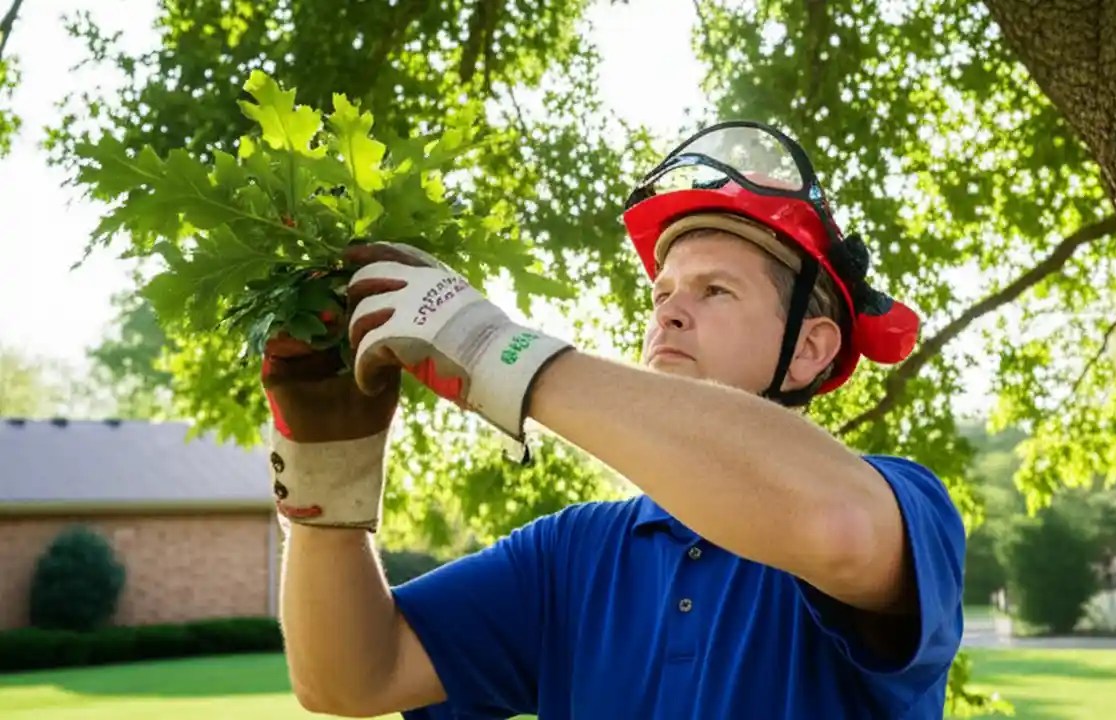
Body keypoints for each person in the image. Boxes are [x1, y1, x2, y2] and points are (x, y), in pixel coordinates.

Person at [265, 121, 965, 720]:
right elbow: (351, 678)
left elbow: (834, 527)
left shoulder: (901, 505)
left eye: (716, 290)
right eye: (662, 293)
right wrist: (327, 476)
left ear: (809, 350)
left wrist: (497, 354)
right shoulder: (571, 554)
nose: (669, 311)